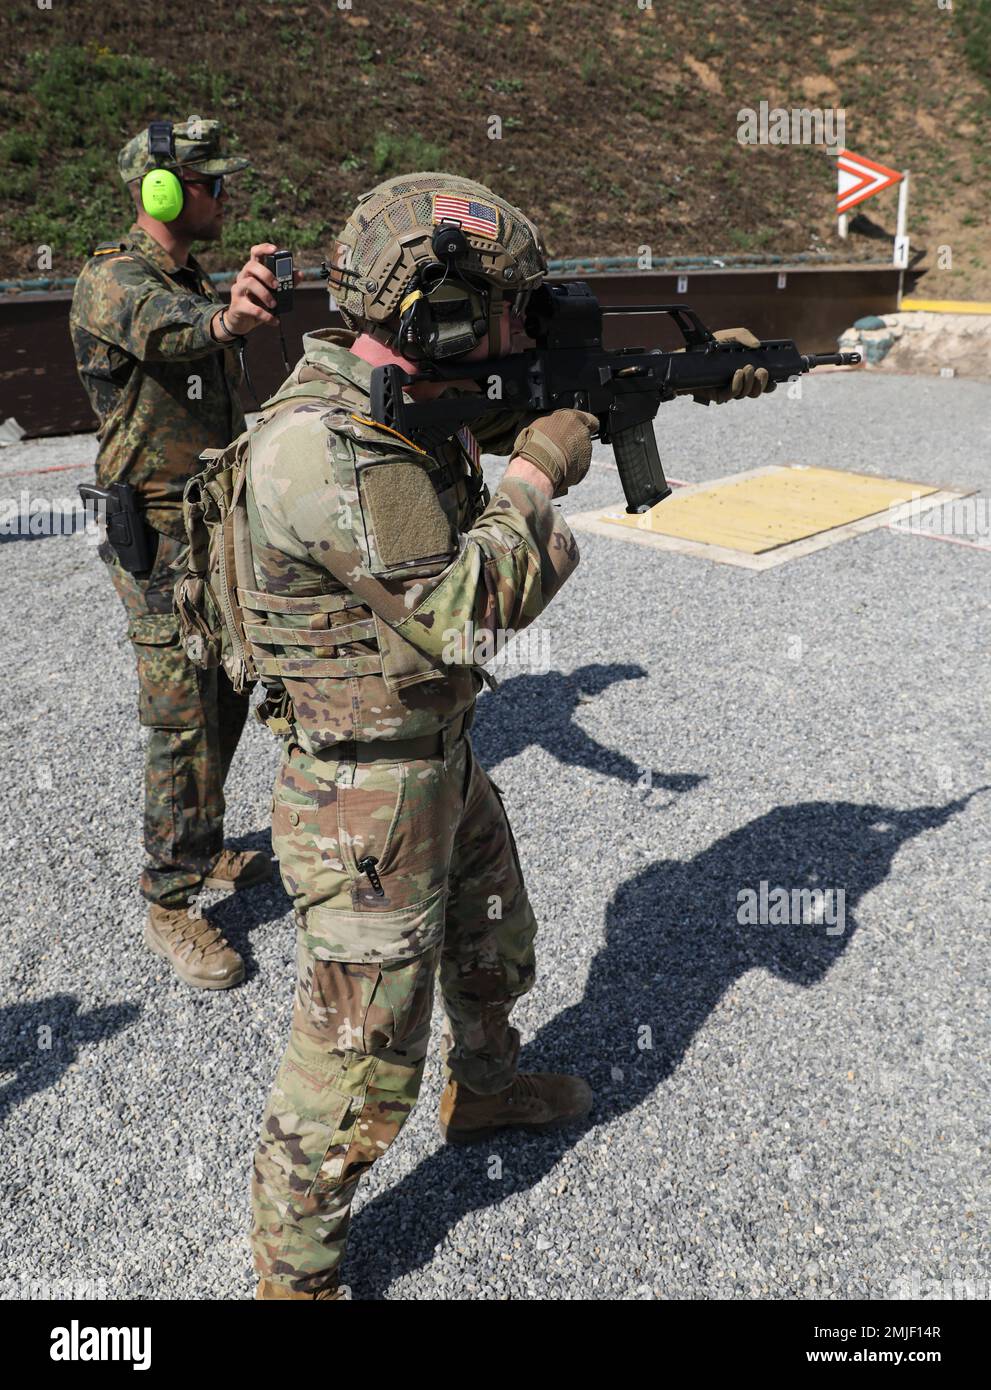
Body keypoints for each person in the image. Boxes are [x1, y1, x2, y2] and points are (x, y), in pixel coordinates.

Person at [228, 173, 773, 1299]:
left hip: (434, 755)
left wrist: (686, 377)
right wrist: (535, 470)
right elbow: (469, 602)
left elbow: (508, 405)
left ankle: (483, 1088)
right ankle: (295, 1271)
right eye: (506, 307)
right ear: (437, 311)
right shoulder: (320, 448)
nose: (520, 329)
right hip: (359, 800)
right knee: (354, 1054)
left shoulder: (395, 384)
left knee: (492, 936)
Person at [69, 118, 283, 989]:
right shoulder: (113, 280)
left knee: (226, 690)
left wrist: (227, 306)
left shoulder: (186, 277)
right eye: (212, 183)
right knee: (179, 720)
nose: (225, 195)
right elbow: (173, 331)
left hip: (209, 530)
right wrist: (230, 318)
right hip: (155, 541)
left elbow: (197, 319)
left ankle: (203, 841)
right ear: (163, 190)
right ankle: (169, 901)